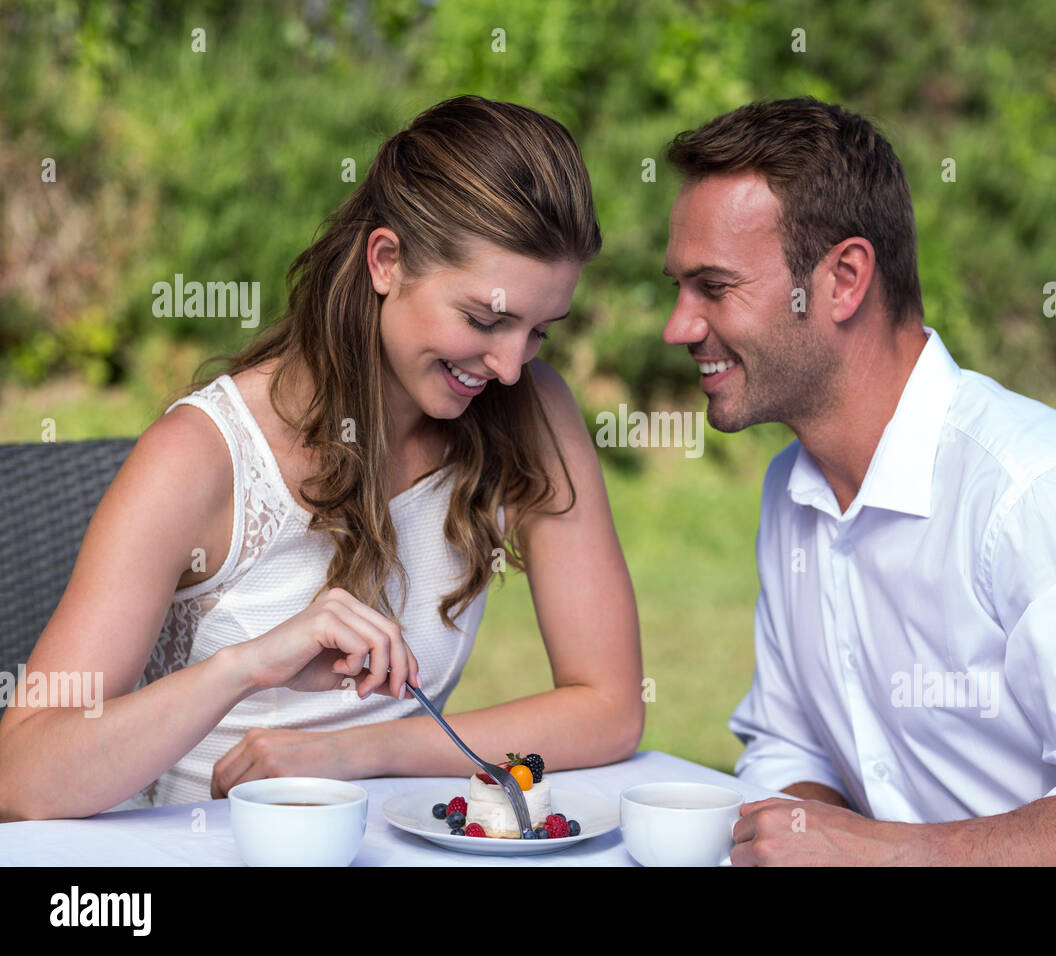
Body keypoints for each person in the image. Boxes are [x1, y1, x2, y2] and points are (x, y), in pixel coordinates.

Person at [0, 96, 643, 819]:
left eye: (539, 332)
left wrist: (359, 753)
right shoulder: (204, 455)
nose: (510, 367)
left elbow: (609, 707)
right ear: (386, 261)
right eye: (486, 320)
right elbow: (20, 778)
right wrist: (244, 668)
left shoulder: (529, 410)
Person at [659, 96, 1056, 866]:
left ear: (843, 279)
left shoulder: (1040, 493)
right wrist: (804, 827)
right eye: (678, 287)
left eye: (713, 286)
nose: (678, 325)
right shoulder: (794, 491)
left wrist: (878, 855)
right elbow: (789, 745)